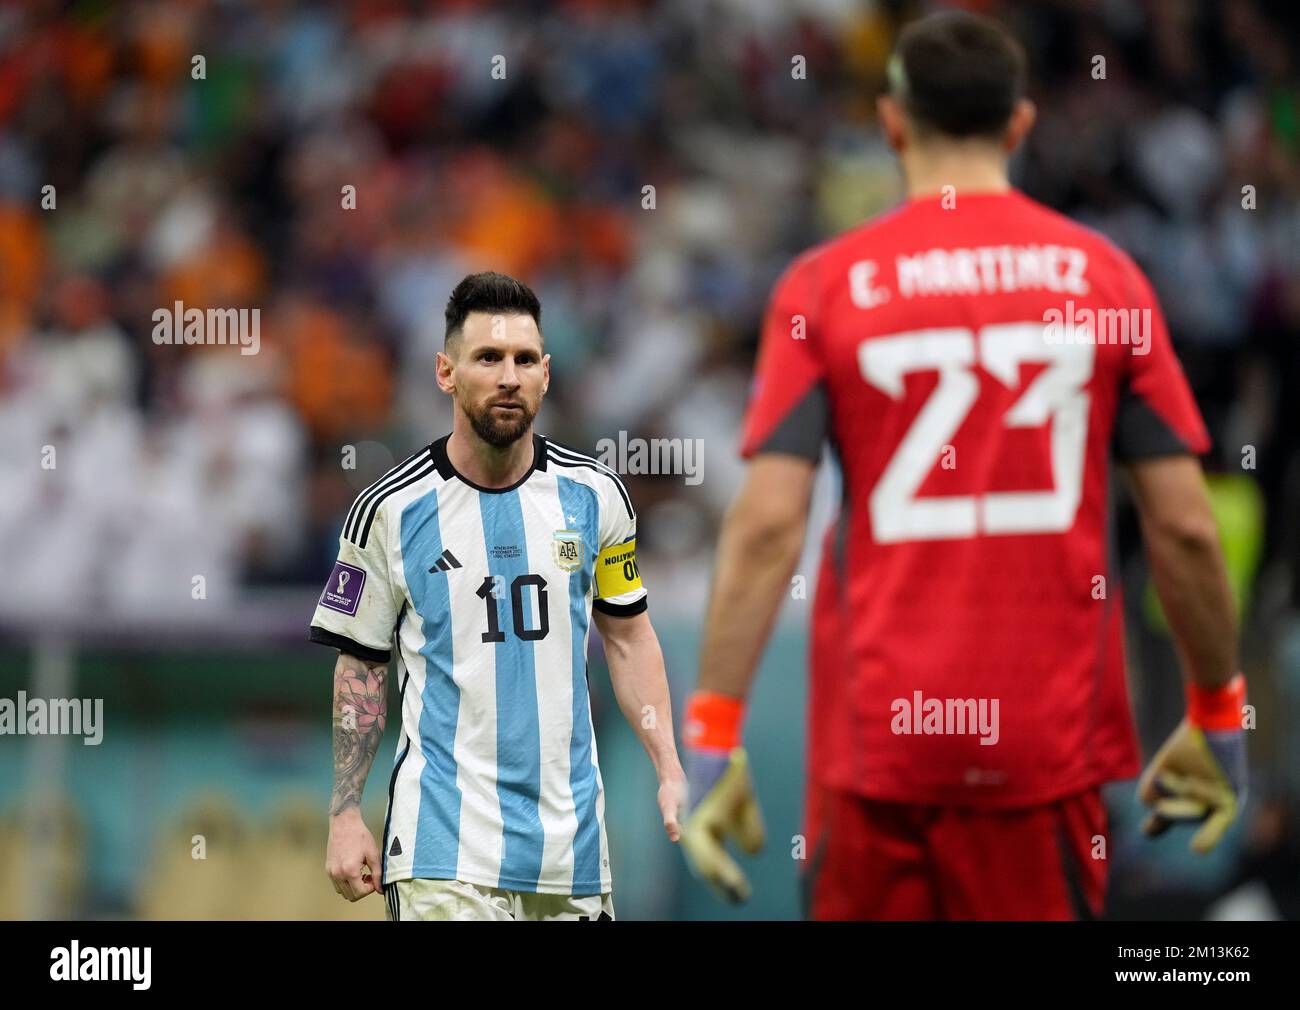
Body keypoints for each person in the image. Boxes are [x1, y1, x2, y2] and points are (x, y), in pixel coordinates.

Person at [679, 11, 1247, 920]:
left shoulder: (823, 287)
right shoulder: (1106, 279)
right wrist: (1218, 710)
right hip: (1043, 755)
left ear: (892, 123)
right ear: (1020, 125)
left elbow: (770, 524)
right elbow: (1182, 525)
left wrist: (712, 732)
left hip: (875, 752)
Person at [311, 271, 686, 920]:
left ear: (546, 373)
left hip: (569, 851)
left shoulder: (596, 499)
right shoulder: (389, 511)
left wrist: (668, 764)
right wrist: (345, 811)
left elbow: (627, 636)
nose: (508, 376)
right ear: (446, 372)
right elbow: (361, 668)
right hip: (442, 847)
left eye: (523, 360)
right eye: (487, 357)